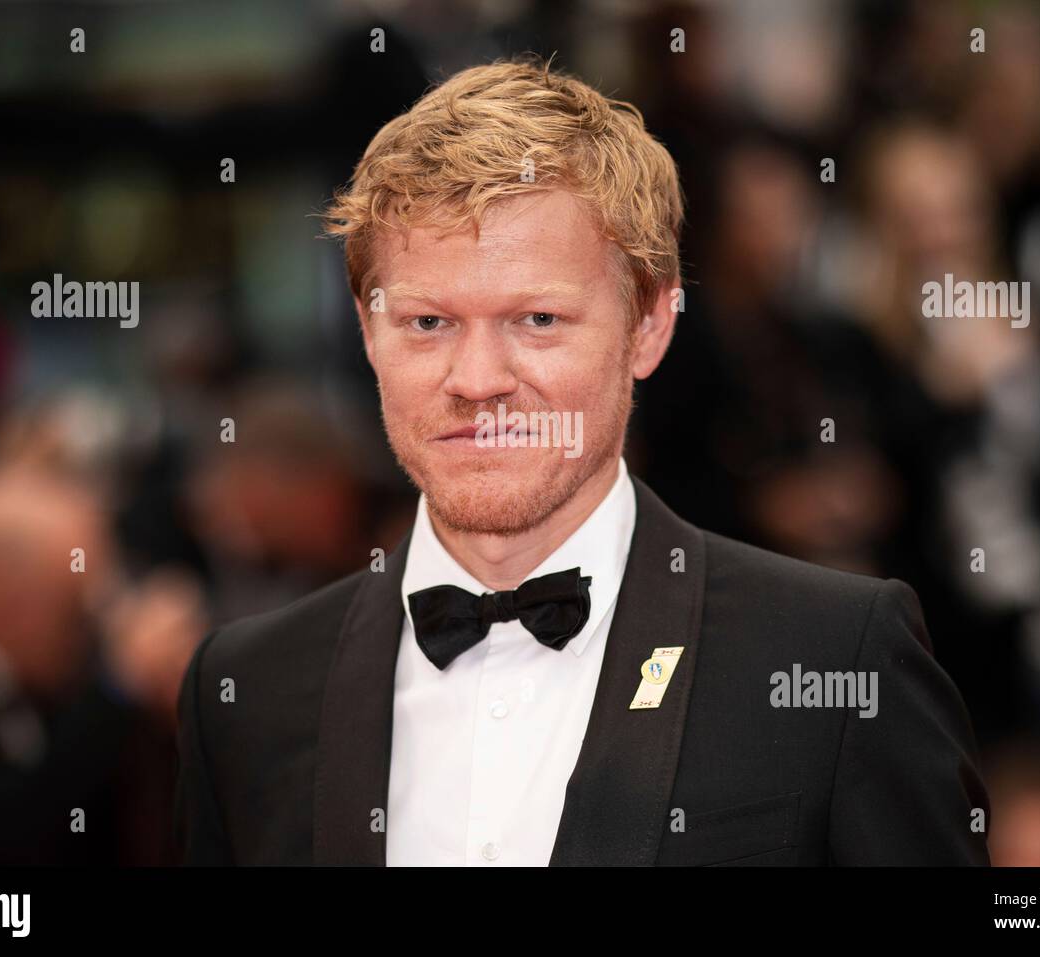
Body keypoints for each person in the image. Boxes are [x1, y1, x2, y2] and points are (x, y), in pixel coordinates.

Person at [173, 56, 989, 866]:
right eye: (427, 323)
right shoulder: (245, 695)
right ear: (366, 328)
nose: (478, 381)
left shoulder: (833, 657)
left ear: (650, 325)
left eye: (537, 318)